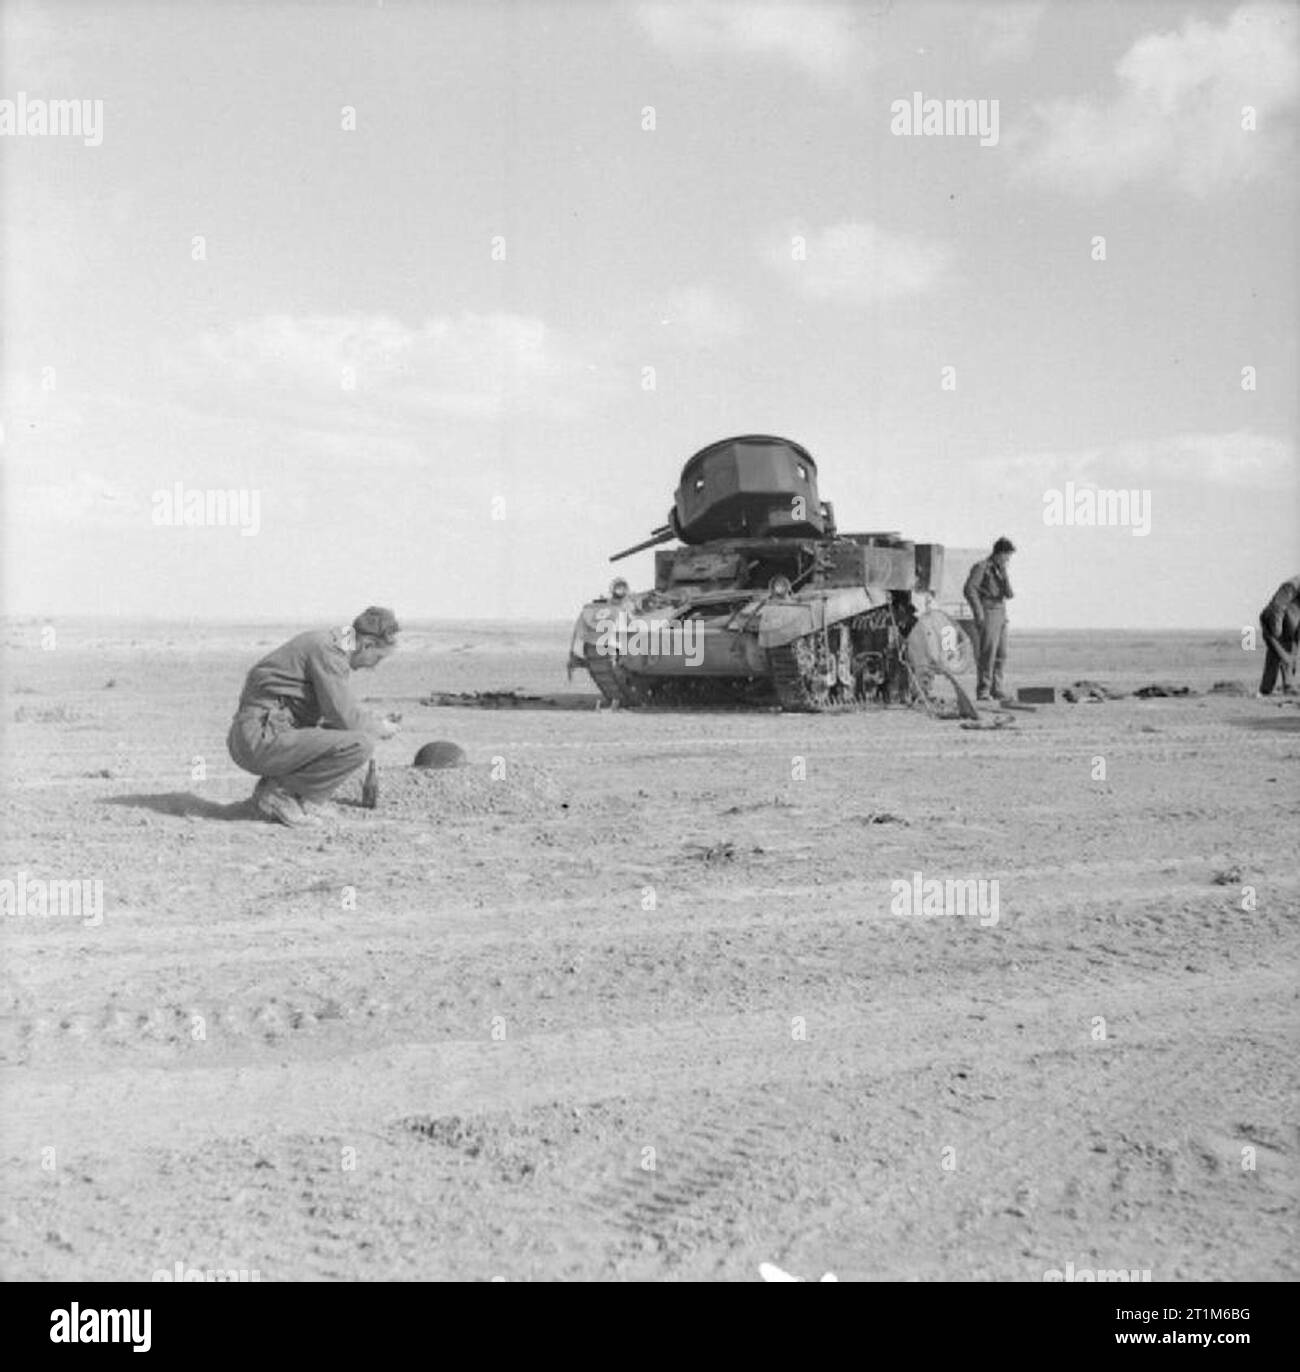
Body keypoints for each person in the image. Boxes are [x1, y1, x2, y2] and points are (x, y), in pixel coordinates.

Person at [227, 607, 402, 827]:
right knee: (360, 744)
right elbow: (345, 717)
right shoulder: (329, 652)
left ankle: (282, 794)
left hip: (258, 734)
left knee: (342, 736)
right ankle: (282, 796)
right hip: (258, 739)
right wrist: (381, 728)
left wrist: (371, 720)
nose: (375, 666)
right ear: (367, 644)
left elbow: (334, 715)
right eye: (377, 658)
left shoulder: (329, 646)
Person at [963, 537, 1015, 702]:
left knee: (1001, 653)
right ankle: (983, 690)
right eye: (1007, 555)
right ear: (999, 553)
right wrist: (979, 612)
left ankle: (997, 688)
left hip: (1001, 611)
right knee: (988, 653)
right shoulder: (982, 567)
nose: (1008, 559)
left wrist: (1004, 575)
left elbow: (1009, 594)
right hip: (988, 610)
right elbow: (970, 589)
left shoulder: (1001, 570)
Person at [1258, 575, 1300, 697]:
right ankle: (1285, 685)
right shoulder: (1292, 585)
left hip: (1283, 616)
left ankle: (1267, 688)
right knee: (1281, 646)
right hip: (1280, 616)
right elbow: (1277, 607)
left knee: (1278, 649)